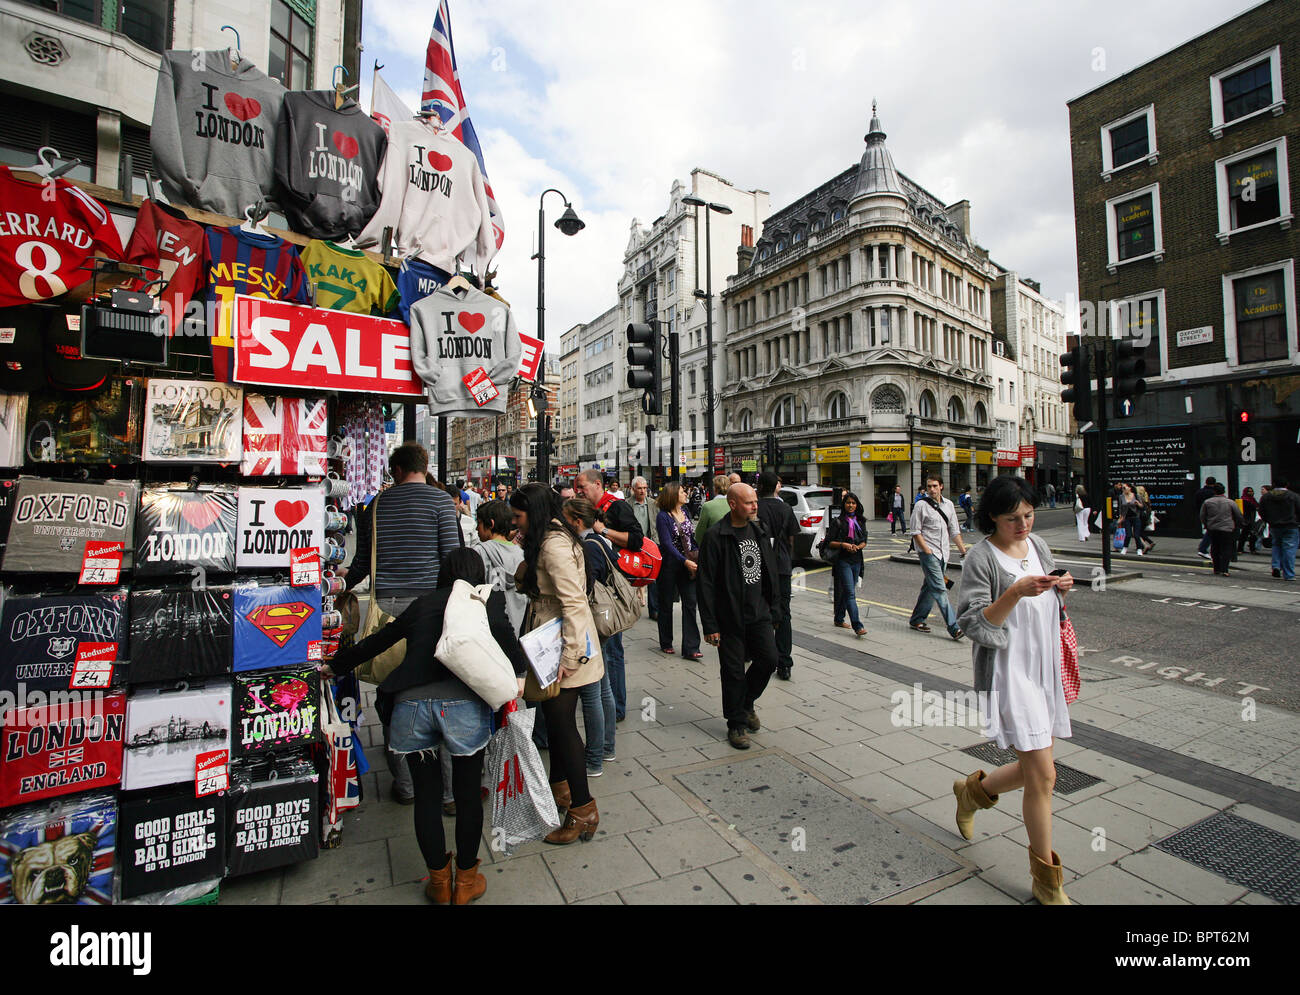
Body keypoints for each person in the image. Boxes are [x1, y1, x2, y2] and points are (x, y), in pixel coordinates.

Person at [322, 548, 529, 904]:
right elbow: (512, 652)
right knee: (466, 795)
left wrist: (334, 665)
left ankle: (437, 882)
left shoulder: (422, 604)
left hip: (411, 706)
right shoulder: (484, 601)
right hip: (463, 708)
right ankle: (465, 882)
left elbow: (377, 642)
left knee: (427, 798)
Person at [954, 474, 1074, 904]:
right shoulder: (981, 559)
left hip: (1044, 669)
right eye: (1012, 519)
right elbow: (970, 623)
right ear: (992, 518)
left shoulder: (1037, 546)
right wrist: (1016, 593)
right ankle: (1047, 880)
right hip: (1009, 673)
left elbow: (1049, 608)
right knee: (1044, 775)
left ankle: (973, 792)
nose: (1023, 525)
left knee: (1032, 770)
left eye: (1028, 515)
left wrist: (1059, 587)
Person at [344, 442, 462, 806]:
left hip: (387, 612)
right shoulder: (442, 503)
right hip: (431, 611)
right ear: (425, 467)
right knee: (438, 693)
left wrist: (336, 588)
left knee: (393, 693)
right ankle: (447, 791)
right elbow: (452, 562)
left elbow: (362, 565)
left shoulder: (375, 507)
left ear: (395, 471)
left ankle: (407, 785)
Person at [510, 483, 604, 843]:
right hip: (555, 641)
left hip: (562, 645)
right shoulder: (550, 539)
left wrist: (569, 656)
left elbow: (575, 603)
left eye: (518, 517)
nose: (515, 524)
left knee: (562, 726)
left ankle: (583, 809)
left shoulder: (553, 545)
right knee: (556, 720)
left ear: (532, 512)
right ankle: (561, 789)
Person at [698, 483, 782, 750]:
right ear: (733, 504)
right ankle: (736, 723)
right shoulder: (716, 536)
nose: (755, 506)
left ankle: (746, 703)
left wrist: (776, 608)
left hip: (759, 613)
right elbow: (706, 583)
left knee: (769, 660)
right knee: (733, 672)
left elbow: (770, 572)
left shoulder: (758, 531)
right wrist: (710, 624)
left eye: (755, 501)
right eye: (749, 503)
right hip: (729, 617)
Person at [575, 469, 643, 723]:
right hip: (593, 592)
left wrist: (602, 531)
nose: (579, 490)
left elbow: (636, 539)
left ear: (597, 485)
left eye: (582, 486)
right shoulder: (582, 509)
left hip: (611, 594)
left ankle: (616, 708)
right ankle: (602, 699)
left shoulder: (616, 507)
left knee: (613, 650)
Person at [562, 498, 619, 778]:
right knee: (603, 685)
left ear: (576, 521)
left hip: (591, 622)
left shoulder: (584, 546)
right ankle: (607, 748)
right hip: (605, 619)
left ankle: (595, 757)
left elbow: (583, 588)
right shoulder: (601, 541)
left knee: (592, 692)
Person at [908, 474, 968, 639]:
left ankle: (917, 619)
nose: (932, 489)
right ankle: (954, 627)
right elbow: (915, 531)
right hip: (929, 553)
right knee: (940, 589)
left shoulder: (949, 505)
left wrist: (963, 550)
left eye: (935, 486)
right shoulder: (921, 505)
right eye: (929, 487)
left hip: (944, 553)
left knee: (930, 587)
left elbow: (954, 530)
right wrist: (926, 550)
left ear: (941, 486)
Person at [756, 470, 800, 679]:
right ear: (775, 487)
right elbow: (792, 539)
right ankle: (784, 662)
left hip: (758, 566)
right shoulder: (786, 509)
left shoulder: (755, 508)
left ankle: (757, 653)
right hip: (781, 566)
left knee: (757, 609)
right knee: (783, 612)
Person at [655, 481, 702, 659]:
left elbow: (691, 537)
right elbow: (666, 544)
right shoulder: (663, 517)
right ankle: (666, 641)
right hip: (670, 565)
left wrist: (697, 555)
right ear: (674, 495)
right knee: (666, 604)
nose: (685, 494)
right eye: (682, 492)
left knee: (690, 604)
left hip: (688, 564)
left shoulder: (686, 511)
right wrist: (684, 561)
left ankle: (691, 648)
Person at [474, 500, 527, 634]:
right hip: (517, 627)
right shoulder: (522, 556)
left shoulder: (479, 552)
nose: (476, 529)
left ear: (490, 524)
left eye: (479, 523)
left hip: (487, 628)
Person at [823, 490, 868, 637]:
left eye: (853, 503)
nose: (851, 505)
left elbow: (864, 541)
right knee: (850, 593)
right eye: (848, 502)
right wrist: (844, 545)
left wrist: (857, 546)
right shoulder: (838, 521)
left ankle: (838, 618)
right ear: (844, 504)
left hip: (856, 561)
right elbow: (829, 542)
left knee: (846, 591)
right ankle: (858, 625)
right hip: (842, 561)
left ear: (857, 505)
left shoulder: (861, 521)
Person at [1258, 479, 1300, 582]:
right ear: (1287, 484)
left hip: (1274, 525)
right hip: (1291, 525)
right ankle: (1289, 574)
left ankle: (1276, 566)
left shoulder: (1266, 497)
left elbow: (1261, 511)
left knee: (1276, 545)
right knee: (1289, 549)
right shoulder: (1293, 496)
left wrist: (1268, 520)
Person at [629, 476, 659, 621]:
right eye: (639, 488)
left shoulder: (654, 504)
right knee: (630, 576)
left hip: (650, 546)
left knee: (652, 578)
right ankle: (628, 608)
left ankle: (654, 609)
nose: (642, 491)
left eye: (645, 488)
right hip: (632, 545)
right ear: (633, 489)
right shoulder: (627, 504)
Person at [1200, 483, 1244, 577]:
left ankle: (1216, 569)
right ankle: (1225, 569)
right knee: (1226, 548)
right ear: (1224, 491)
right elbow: (1238, 515)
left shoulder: (1207, 502)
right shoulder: (1230, 502)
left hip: (1213, 528)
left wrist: (1206, 525)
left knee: (1215, 548)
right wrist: (1239, 524)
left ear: (1214, 491)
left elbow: (1202, 516)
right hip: (1227, 528)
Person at [695, 474, 733, 538]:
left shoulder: (708, 506)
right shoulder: (735, 504)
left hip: (714, 545)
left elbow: (699, 533)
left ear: (714, 488)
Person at [446, 484, 481, 549]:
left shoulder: (470, 522)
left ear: (460, 502)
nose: (451, 507)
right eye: (448, 504)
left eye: (454, 504)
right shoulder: (437, 523)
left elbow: (476, 546)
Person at [1194, 476, 1217, 559]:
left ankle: (1204, 548)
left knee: (1210, 530)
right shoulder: (1213, 493)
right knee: (1211, 531)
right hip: (1212, 514)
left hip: (1202, 514)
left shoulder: (1199, 492)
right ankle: (1203, 549)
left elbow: (1196, 504)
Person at [1238, 487, 1259, 556]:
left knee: (1253, 535)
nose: (1251, 493)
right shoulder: (1244, 500)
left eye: (1252, 491)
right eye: (1249, 491)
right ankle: (1240, 549)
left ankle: (1252, 549)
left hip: (1252, 520)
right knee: (1244, 535)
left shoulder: (1253, 500)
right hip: (1246, 520)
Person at [1135, 485, 1156, 555]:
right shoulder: (1146, 498)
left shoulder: (1139, 498)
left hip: (1140, 517)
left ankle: (1145, 545)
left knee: (1137, 532)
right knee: (1141, 532)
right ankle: (1144, 544)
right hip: (1146, 517)